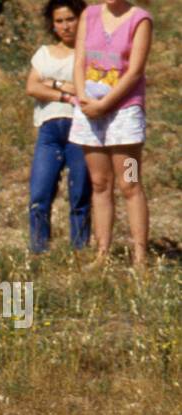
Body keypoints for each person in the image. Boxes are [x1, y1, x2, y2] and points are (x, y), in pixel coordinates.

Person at [70, 0, 153, 266]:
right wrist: (83, 99)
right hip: (89, 113)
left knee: (130, 182)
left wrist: (106, 104)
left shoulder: (139, 19)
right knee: (99, 183)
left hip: (124, 115)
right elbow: (80, 59)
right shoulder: (89, 15)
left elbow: (135, 71)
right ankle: (102, 253)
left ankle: (140, 257)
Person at [25, 1, 89, 254]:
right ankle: (39, 250)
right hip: (49, 130)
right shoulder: (44, 53)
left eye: (70, 19)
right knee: (40, 193)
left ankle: (79, 251)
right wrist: (63, 90)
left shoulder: (88, 52)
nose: (65, 26)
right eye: (59, 21)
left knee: (80, 193)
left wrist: (49, 85)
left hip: (80, 128)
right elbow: (32, 87)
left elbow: (85, 88)